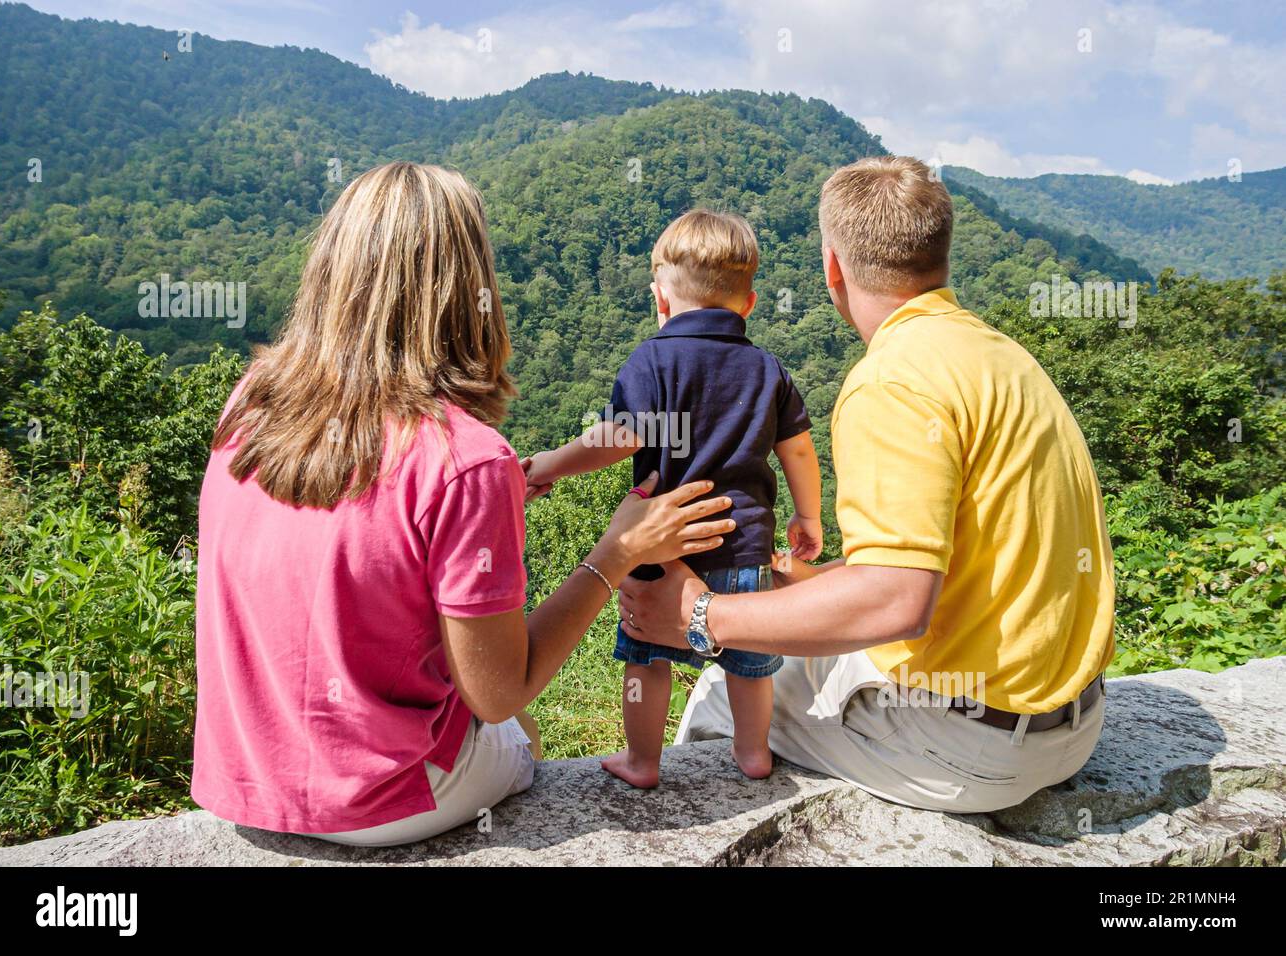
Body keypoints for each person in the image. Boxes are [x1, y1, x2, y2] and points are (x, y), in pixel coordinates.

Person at [191, 162, 734, 847]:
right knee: (517, 727)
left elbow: (363, 531)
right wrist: (618, 552)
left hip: (240, 787)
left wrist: (486, 505)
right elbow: (500, 691)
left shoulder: (253, 400)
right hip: (384, 802)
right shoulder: (465, 458)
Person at [619, 157, 1116, 814]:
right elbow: (939, 565)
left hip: (971, 745)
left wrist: (698, 617)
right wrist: (817, 581)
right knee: (778, 654)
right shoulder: (1002, 356)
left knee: (722, 687)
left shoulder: (892, 382)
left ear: (832, 269)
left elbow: (897, 601)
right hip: (1068, 721)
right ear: (940, 255)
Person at [524, 209, 821, 786]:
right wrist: (806, 515)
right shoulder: (768, 369)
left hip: (663, 549)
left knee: (646, 656)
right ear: (749, 303)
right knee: (750, 660)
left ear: (659, 298)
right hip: (743, 550)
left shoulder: (652, 362)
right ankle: (753, 754)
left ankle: (642, 761)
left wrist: (551, 466)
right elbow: (800, 452)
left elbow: (618, 437)